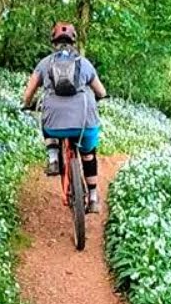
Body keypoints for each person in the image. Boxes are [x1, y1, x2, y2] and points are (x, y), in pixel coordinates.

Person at [21, 21, 108, 213]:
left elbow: (28, 94)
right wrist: (100, 97)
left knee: (46, 119)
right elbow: (101, 91)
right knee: (88, 154)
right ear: (73, 42)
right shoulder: (84, 64)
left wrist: (27, 104)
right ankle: (93, 198)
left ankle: (53, 158)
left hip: (55, 124)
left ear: (54, 42)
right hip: (85, 122)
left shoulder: (45, 63)